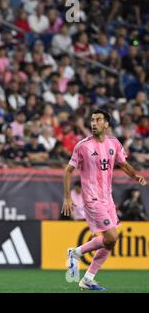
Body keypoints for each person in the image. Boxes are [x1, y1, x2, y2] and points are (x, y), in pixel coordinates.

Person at [62, 109, 146, 291]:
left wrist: (135, 175)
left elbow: (123, 163)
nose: (94, 123)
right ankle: (76, 253)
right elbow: (68, 170)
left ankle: (87, 277)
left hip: (108, 198)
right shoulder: (83, 146)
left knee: (111, 242)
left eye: (98, 120)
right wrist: (67, 197)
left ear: (106, 124)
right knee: (112, 236)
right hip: (92, 199)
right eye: (92, 120)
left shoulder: (114, 143)